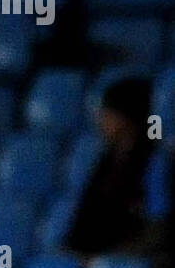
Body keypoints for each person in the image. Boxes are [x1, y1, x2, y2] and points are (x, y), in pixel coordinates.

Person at [64, 77, 154, 258]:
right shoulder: (105, 162)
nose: (101, 121)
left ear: (126, 118)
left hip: (127, 262)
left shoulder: (154, 163)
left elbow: (157, 227)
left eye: (107, 114)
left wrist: (110, 257)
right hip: (94, 259)